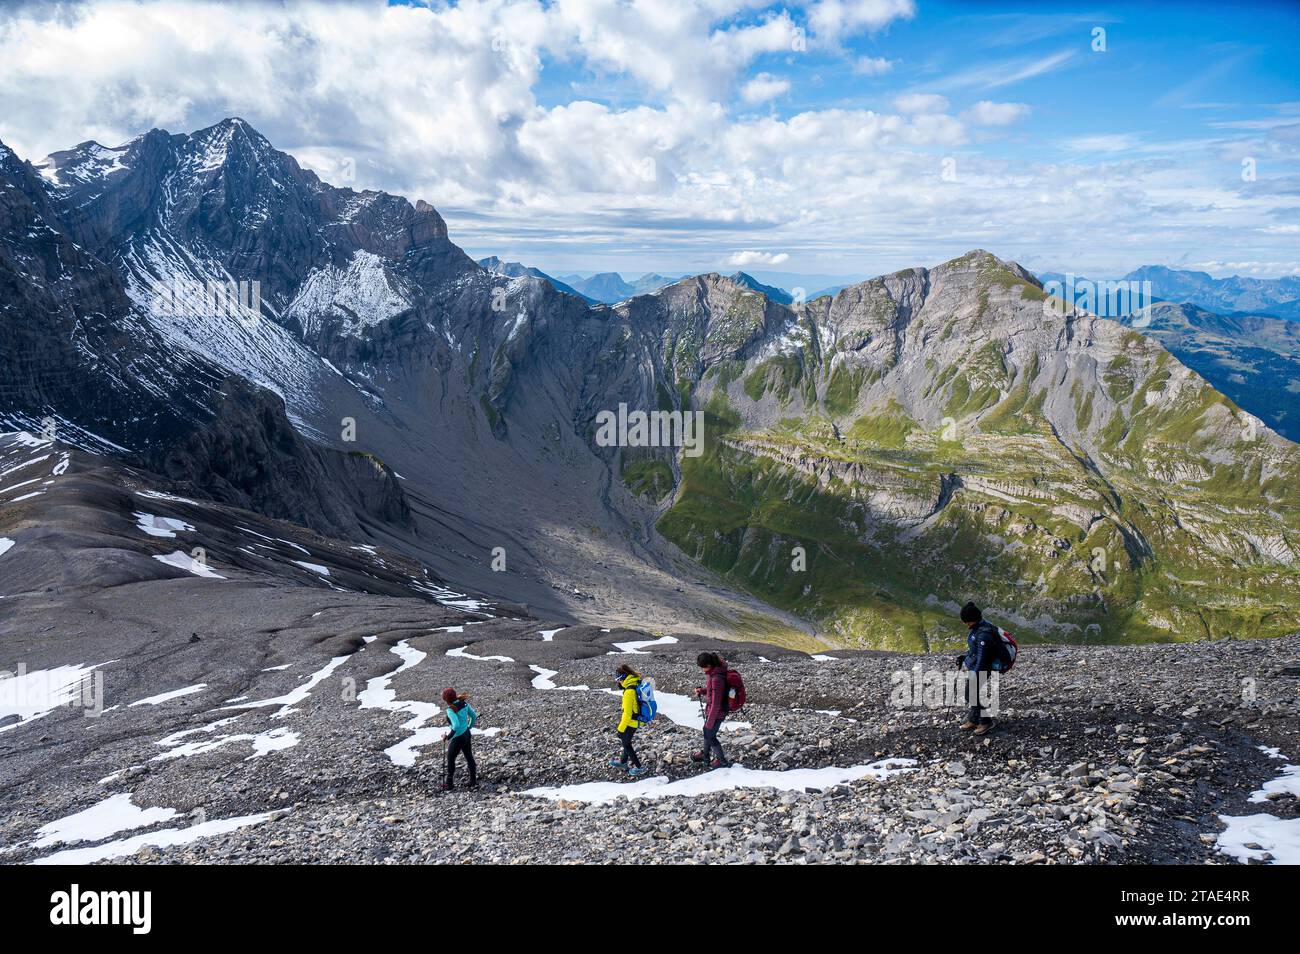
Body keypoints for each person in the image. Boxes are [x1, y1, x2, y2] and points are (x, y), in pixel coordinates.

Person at [956, 602, 999, 735]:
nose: (966, 624)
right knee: (971, 694)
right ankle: (974, 720)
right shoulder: (977, 628)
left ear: (973, 619)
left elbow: (983, 657)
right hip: (977, 667)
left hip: (982, 668)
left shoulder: (983, 635)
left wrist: (975, 673)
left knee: (971, 695)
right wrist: (965, 657)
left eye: (967, 621)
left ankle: (986, 722)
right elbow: (975, 651)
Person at [609, 664, 649, 777]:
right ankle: (622, 762)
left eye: (619, 680)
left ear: (623, 679)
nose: (618, 683)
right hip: (636, 719)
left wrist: (620, 729)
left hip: (632, 721)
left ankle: (639, 767)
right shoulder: (634, 683)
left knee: (626, 743)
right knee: (626, 741)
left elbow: (627, 714)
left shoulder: (628, 692)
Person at [692, 652, 731, 768]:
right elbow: (712, 692)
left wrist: (709, 722)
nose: (702, 670)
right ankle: (705, 755)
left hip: (717, 712)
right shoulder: (713, 673)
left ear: (709, 665)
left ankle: (722, 760)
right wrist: (702, 691)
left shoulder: (716, 678)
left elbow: (716, 703)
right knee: (707, 732)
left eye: (703, 667)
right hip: (713, 711)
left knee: (710, 735)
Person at [438, 687, 478, 790]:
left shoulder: (450, 710)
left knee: (451, 759)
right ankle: (473, 780)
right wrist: (469, 726)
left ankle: (449, 784)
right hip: (466, 734)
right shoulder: (464, 703)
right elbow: (473, 716)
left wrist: (447, 737)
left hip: (458, 738)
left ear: (446, 700)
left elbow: (455, 726)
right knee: (469, 756)